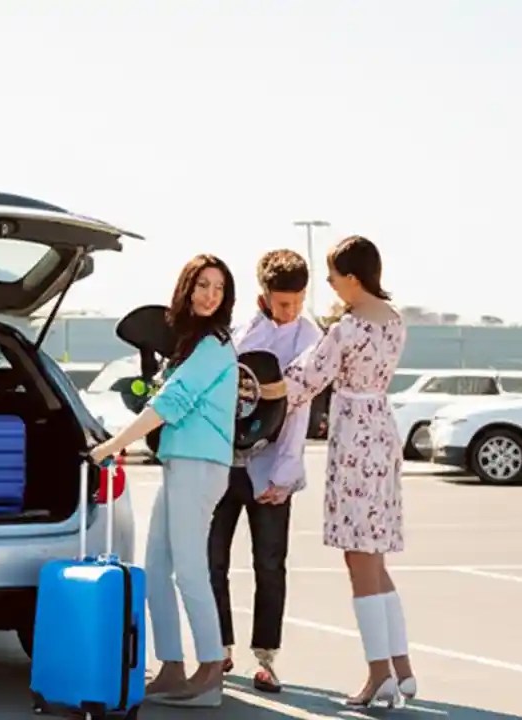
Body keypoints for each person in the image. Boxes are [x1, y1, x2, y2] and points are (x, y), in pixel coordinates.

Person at [89, 253, 239, 708]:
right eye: (203, 285)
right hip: (179, 462)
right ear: (187, 289)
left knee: (190, 567)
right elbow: (162, 398)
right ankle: (171, 665)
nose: (211, 295)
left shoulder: (214, 345)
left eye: (219, 288)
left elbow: (173, 402)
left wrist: (110, 447)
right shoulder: (190, 345)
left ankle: (211, 669)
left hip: (201, 465)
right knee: (156, 567)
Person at [281, 235, 417, 708]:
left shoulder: (349, 328)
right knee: (374, 556)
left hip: (354, 436)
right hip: (381, 431)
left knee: (359, 558)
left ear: (352, 278)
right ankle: (401, 667)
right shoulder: (395, 322)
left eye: (334, 275)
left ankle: (378, 674)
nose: (331, 283)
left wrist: (258, 389)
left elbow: (305, 378)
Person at [208, 249, 321, 693]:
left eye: (295, 302)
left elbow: (298, 413)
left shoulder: (311, 337)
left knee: (269, 565)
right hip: (224, 463)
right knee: (212, 560)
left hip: (274, 469)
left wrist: (286, 476)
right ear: (264, 295)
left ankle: (267, 658)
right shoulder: (238, 329)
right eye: (281, 302)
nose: (288, 311)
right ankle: (220, 649)